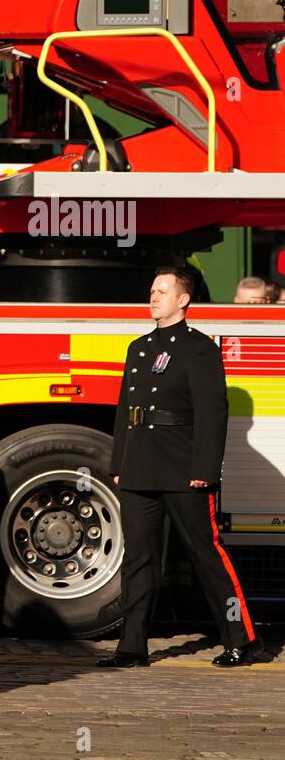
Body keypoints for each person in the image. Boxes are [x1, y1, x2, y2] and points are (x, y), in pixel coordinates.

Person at [98, 267, 264, 669]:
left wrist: (206, 467)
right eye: (152, 290)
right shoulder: (138, 348)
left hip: (182, 466)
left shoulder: (199, 349)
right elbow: (126, 412)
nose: (153, 297)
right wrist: (118, 463)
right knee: (138, 558)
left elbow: (213, 413)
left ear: (183, 299)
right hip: (139, 466)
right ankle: (132, 646)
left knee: (206, 555)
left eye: (162, 291)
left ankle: (240, 638)